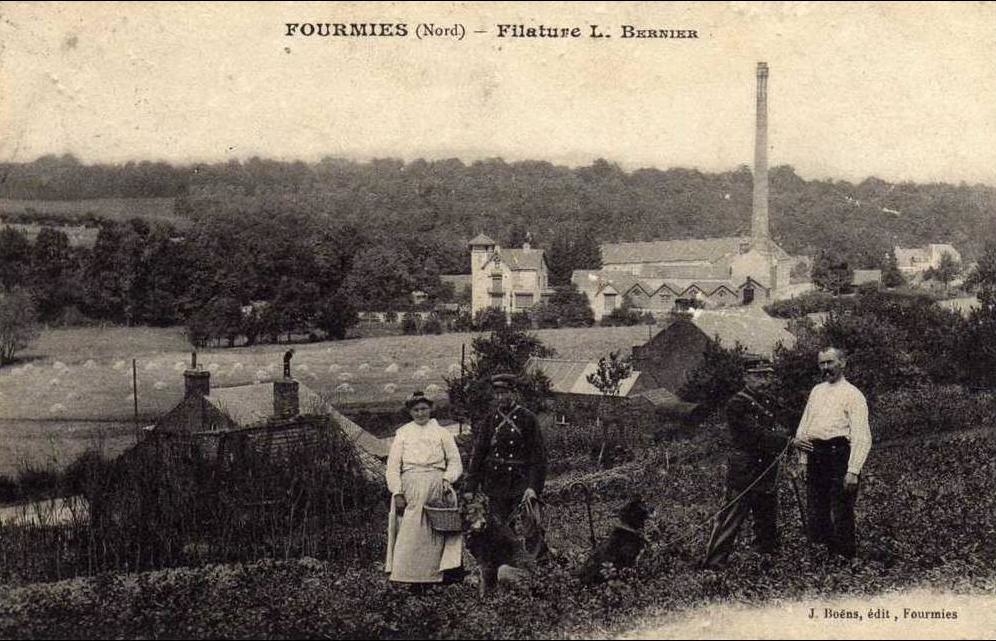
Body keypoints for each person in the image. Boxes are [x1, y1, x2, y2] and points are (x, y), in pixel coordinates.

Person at [702, 358, 806, 569]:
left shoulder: (768, 400)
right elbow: (754, 434)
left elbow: (790, 417)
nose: (764, 380)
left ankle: (765, 560)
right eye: (758, 375)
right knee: (731, 518)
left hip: (767, 468)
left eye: (766, 375)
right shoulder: (736, 404)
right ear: (746, 377)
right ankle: (713, 564)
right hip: (746, 469)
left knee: (767, 517)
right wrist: (787, 441)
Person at [463, 372, 547, 594]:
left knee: (528, 532)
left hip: (520, 486)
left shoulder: (528, 419)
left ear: (514, 393)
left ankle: (533, 575)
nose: (502, 397)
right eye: (498, 393)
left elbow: (538, 457)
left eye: (506, 392)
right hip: (496, 487)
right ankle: (499, 577)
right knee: (498, 534)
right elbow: (478, 455)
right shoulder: (490, 420)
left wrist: (532, 488)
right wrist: (470, 487)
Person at [794, 347, 872, 558]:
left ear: (843, 363)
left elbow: (862, 435)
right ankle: (826, 559)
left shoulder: (853, 395)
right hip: (816, 456)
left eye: (830, 362)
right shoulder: (816, 391)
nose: (826, 368)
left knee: (841, 510)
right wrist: (802, 461)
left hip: (839, 456)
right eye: (822, 364)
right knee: (817, 510)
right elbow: (804, 428)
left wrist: (853, 470)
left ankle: (846, 559)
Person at [385, 391, 464, 585]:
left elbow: (455, 462)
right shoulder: (403, 433)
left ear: (430, 409)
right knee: (410, 531)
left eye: (424, 409)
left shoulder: (442, 433)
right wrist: (397, 491)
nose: (421, 413)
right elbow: (393, 466)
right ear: (410, 412)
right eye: (416, 410)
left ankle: (438, 576)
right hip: (410, 485)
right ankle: (406, 577)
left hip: (437, 485)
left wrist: (447, 479)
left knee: (437, 530)